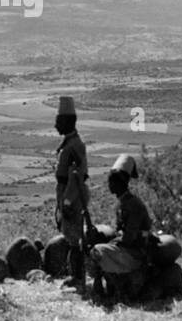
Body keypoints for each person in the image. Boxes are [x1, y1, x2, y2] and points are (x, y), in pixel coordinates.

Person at [88, 154, 155, 304]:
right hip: (128, 250)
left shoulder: (133, 205)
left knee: (97, 251)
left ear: (120, 183)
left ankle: (108, 291)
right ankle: (104, 289)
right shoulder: (123, 203)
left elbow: (129, 238)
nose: (109, 185)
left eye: (111, 182)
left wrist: (112, 241)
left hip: (136, 254)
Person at [53, 95, 91, 291]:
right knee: (71, 237)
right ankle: (75, 275)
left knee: (75, 238)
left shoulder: (74, 146)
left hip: (73, 197)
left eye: (59, 121)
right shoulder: (70, 143)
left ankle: (78, 277)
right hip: (68, 195)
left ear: (68, 122)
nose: (55, 125)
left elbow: (76, 176)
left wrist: (67, 202)